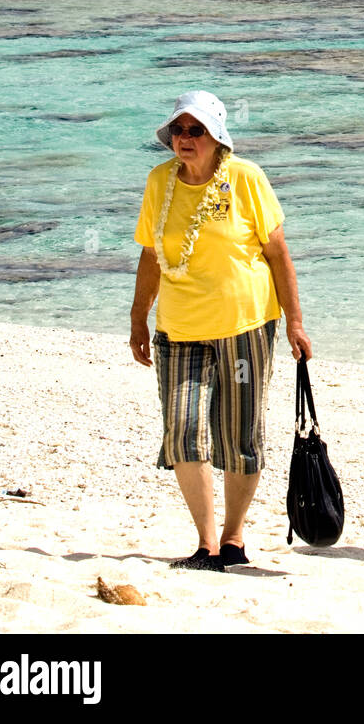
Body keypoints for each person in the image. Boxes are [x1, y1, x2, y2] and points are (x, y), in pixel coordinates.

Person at [129, 90, 311, 571]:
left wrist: (294, 321)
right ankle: (206, 544)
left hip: (245, 327)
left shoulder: (246, 178)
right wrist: (136, 320)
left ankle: (234, 539)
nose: (184, 139)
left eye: (196, 131)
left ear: (216, 137)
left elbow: (278, 254)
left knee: (239, 436)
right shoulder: (158, 182)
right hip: (179, 328)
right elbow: (150, 256)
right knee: (184, 432)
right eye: (178, 131)